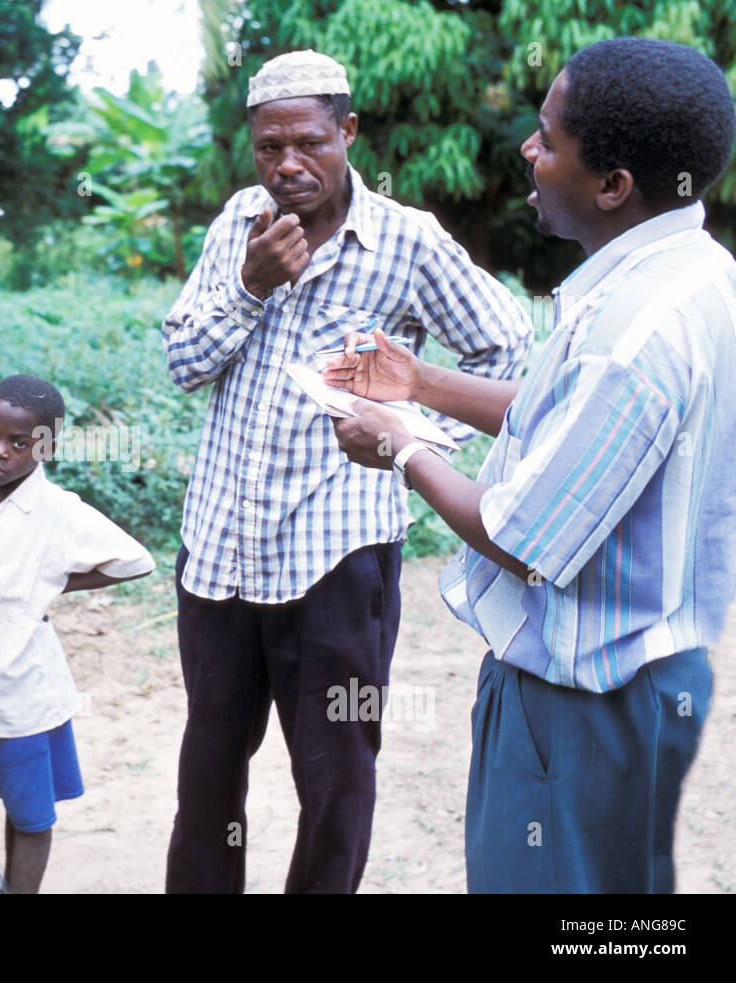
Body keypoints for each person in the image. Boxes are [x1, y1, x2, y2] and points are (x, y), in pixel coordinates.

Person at [325, 37, 736, 893]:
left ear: (613, 184)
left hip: (575, 708)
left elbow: (524, 537)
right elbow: (576, 434)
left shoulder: (631, 335)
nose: (527, 150)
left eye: (548, 140)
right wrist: (422, 380)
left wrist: (397, 445)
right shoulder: (692, 275)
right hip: (651, 684)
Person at [161, 49, 533, 893]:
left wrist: (408, 433)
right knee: (207, 773)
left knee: (335, 782)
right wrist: (251, 287)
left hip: (340, 557)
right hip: (218, 553)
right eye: (267, 148)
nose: (287, 166)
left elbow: (507, 342)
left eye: (308, 144)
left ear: (348, 132)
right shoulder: (235, 228)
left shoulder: (408, 240)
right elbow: (183, 360)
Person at [0, 374, 155, 893]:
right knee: (11, 797)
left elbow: (136, 560)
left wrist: (53, 584)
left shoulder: (56, 512)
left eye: (18, 442)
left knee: (32, 815)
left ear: (45, 446)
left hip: (21, 695)